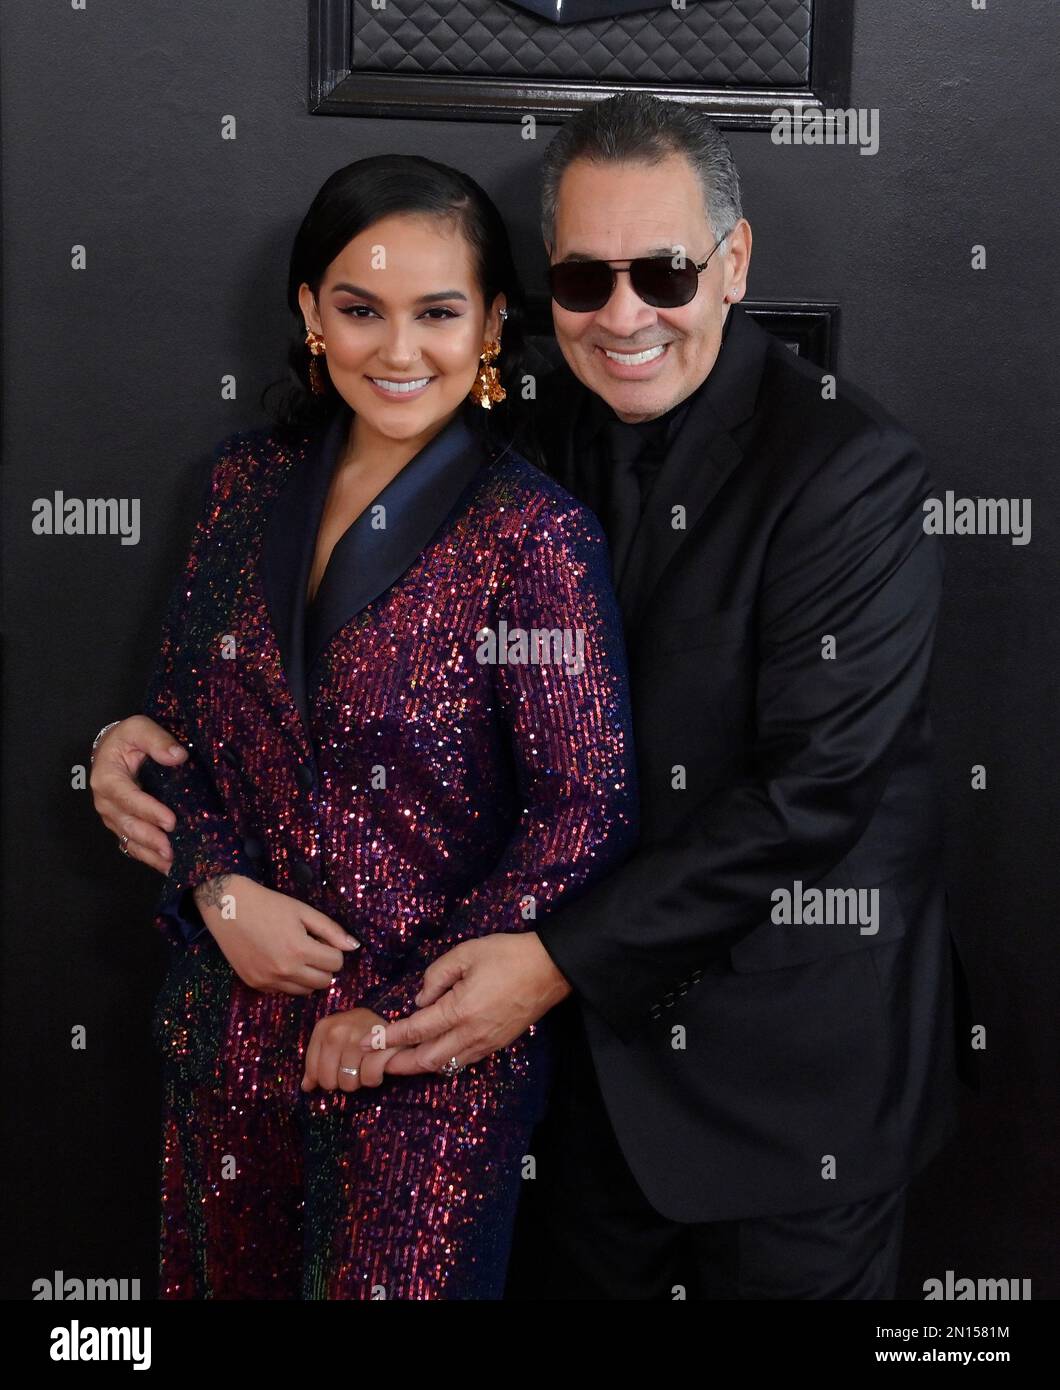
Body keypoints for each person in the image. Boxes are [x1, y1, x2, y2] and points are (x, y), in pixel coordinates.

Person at [95, 93, 971, 1301]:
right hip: (561, 1086)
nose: (624, 317)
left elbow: (809, 795)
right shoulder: (508, 430)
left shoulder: (847, 469)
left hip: (784, 1083)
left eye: (663, 273)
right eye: (584, 277)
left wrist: (552, 956)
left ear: (734, 263)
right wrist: (133, 759)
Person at [90, 152, 638, 1300]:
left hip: (424, 1080)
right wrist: (217, 889)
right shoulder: (242, 488)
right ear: (309, 313)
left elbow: (582, 811)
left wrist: (392, 1011)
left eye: (437, 312)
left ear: (491, 321)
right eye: (359, 310)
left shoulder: (534, 538)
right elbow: (174, 739)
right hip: (230, 1038)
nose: (398, 351)